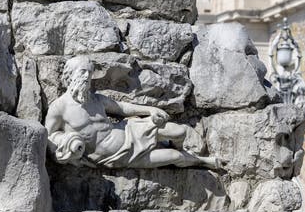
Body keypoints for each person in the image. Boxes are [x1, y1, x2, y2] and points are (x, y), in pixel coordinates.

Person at [45, 56, 221, 170]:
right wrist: (68, 145)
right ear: (70, 75)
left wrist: (150, 110)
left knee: (179, 131)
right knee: (174, 156)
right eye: (82, 72)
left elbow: (122, 108)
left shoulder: (95, 99)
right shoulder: (59, 107)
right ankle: (201, 161)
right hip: (117, 156)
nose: (87, 77)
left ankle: (182, 149)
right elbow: (49, 137)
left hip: (128, 130)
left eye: (89, 73)